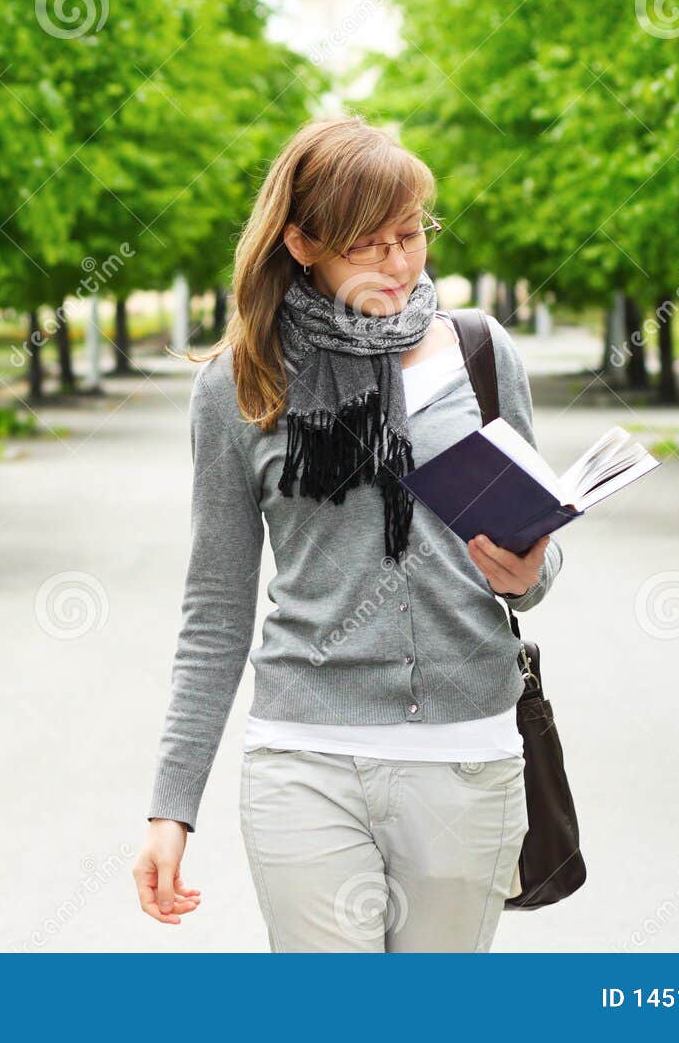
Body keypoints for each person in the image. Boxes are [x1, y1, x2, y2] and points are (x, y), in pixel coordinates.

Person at [132, 115, 562, 951]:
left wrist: (525, 571)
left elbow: (537, 568)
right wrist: (170, 804)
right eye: (370, 245)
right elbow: (216, 606)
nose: (399, 263)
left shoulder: (479, 353)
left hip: (466, 755)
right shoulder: (239, 386)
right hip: (303, 757)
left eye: (412, 235)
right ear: (302, 242)